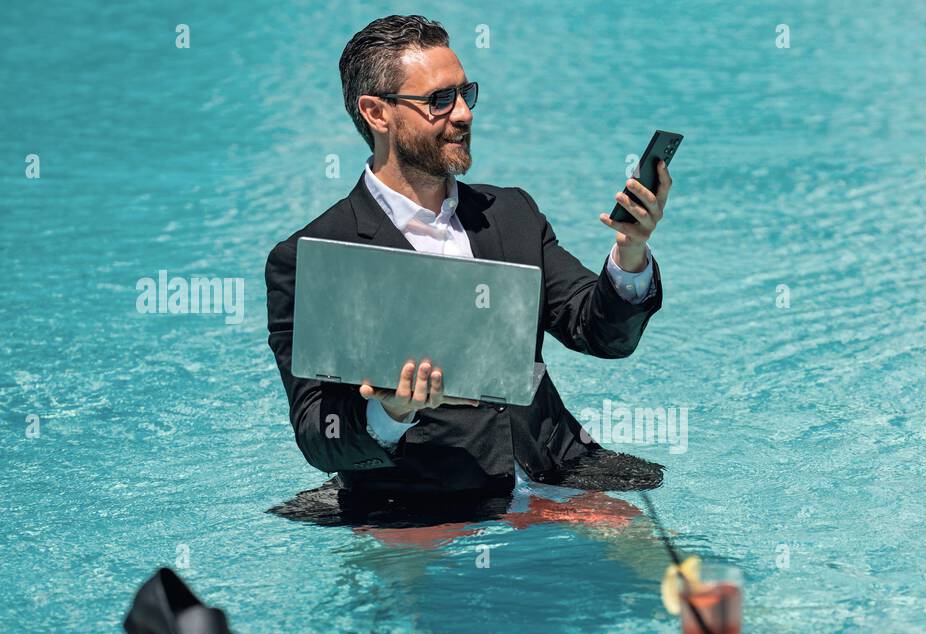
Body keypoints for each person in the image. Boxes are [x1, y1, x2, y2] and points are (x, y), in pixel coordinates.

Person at [265, 14, 672, 507]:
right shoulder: (313, 256)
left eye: (465, 93)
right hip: (419, 506)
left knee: (667, 579)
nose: (463, 114)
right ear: (376, 113)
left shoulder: (511, 214)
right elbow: (317, 433)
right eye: (439, 100)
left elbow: (601, 333)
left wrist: (630, 251)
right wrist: (389, 413)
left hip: (560, 472)